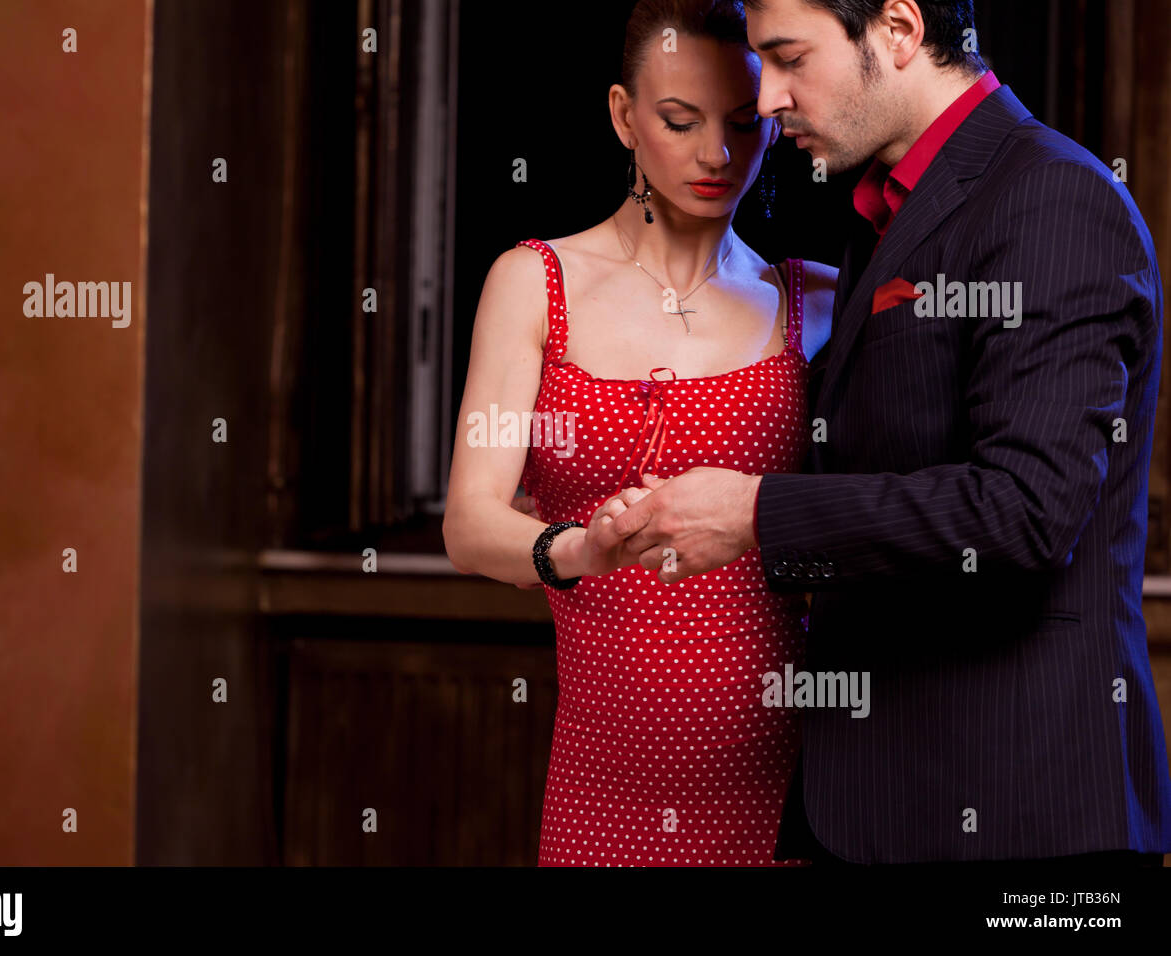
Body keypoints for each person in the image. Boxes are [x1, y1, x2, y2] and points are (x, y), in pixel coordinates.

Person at [594, 0, 1171, 866]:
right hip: (871, 808)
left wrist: (757, 516)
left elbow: (1024, 514)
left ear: (899, 31)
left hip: (1019, 819)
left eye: (788, 59)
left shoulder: (1055, 196)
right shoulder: (889, 213)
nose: (770, 97)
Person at [442, 0, 836, 865]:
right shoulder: (534, 283)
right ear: (624, 115)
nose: (715, 155)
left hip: (779, 778)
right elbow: (469, 524)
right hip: (602, 788)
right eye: (679, 121)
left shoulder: (815, 302)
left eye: (741, 123)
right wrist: (586, 550)